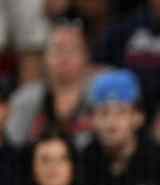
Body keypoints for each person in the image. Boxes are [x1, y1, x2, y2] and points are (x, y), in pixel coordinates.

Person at [5, 21, 96, 149]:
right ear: (45, 57)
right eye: (57, 49)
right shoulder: (25, 98)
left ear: (86, 56)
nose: (64, 57)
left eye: (72, 49)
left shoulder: (100, 97)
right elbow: (13, 148)